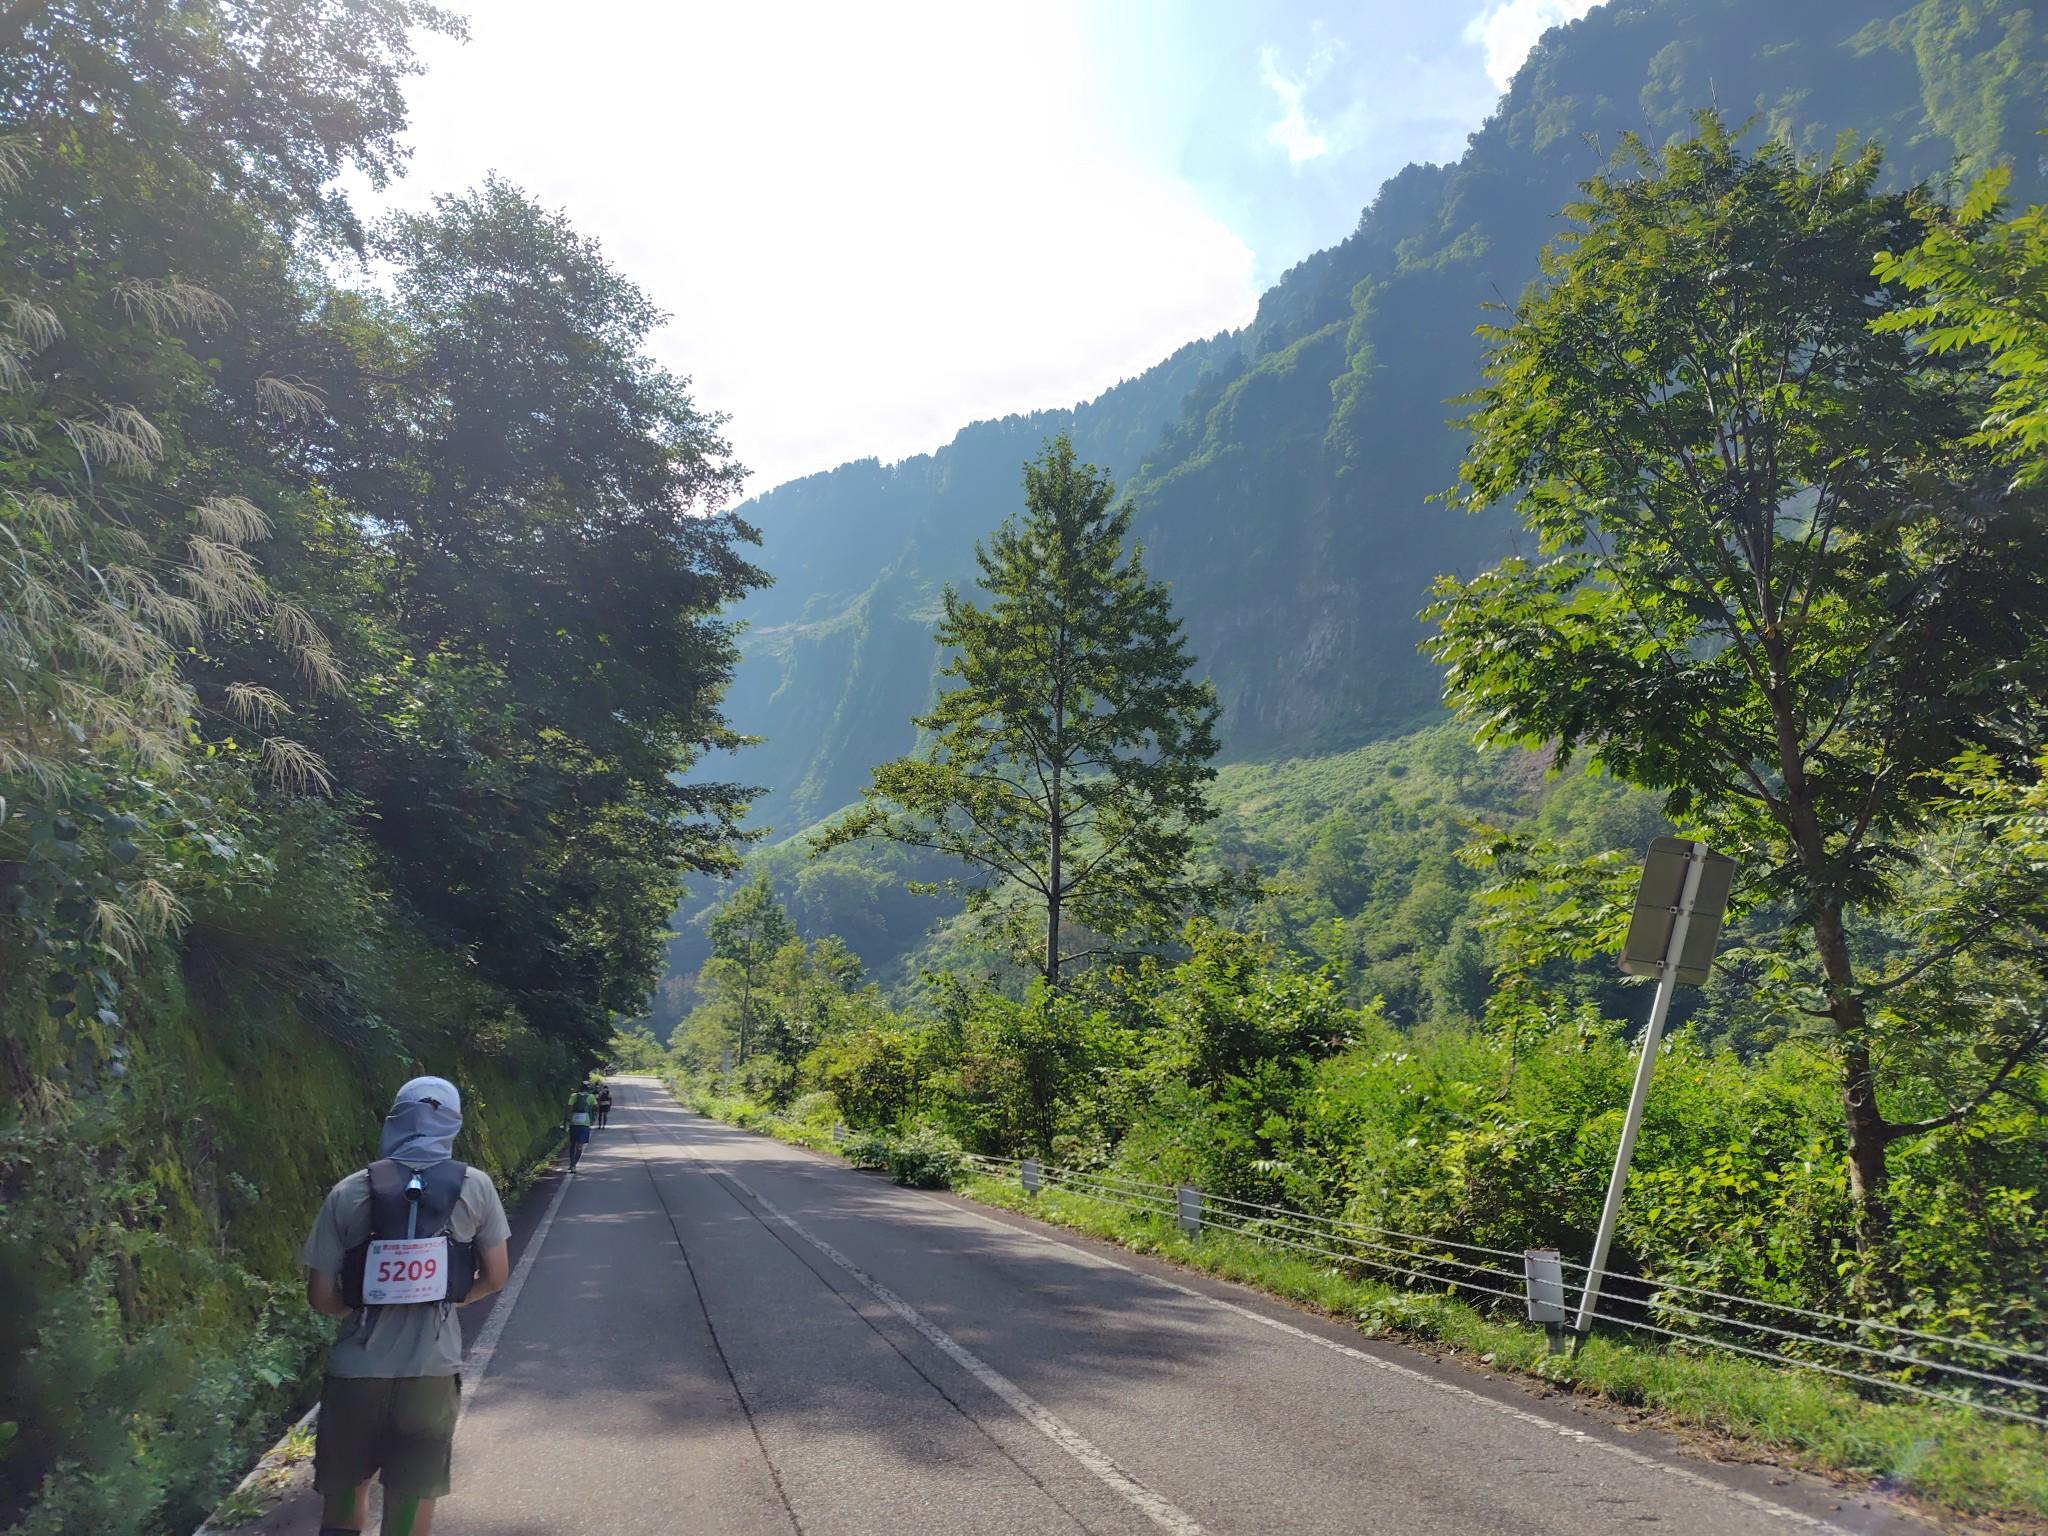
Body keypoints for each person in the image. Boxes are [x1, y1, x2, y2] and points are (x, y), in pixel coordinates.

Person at [303, 1076, 512, 1536]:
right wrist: (452, 1300)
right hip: (430, 1375)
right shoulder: (475, 1187)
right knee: (406, 1516)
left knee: (341, 1512)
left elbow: (320, 1296)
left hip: (355, 1375)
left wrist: (356, 1311)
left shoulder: (349, 1191)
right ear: (452, 1123)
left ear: (395, 1120)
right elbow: (497, 1276)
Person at [566, 1083, 597, 1168]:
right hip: (585, 1122)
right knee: (580, 1144)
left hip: (574, 1121)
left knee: (572, 1143)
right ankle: (574, 1165)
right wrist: (592, 1114)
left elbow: (569, 1106)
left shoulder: (574, 1096)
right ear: (587, 1089)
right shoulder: (591, 1096)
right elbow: (595, 1107)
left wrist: (567, 1118)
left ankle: (571, 1162)